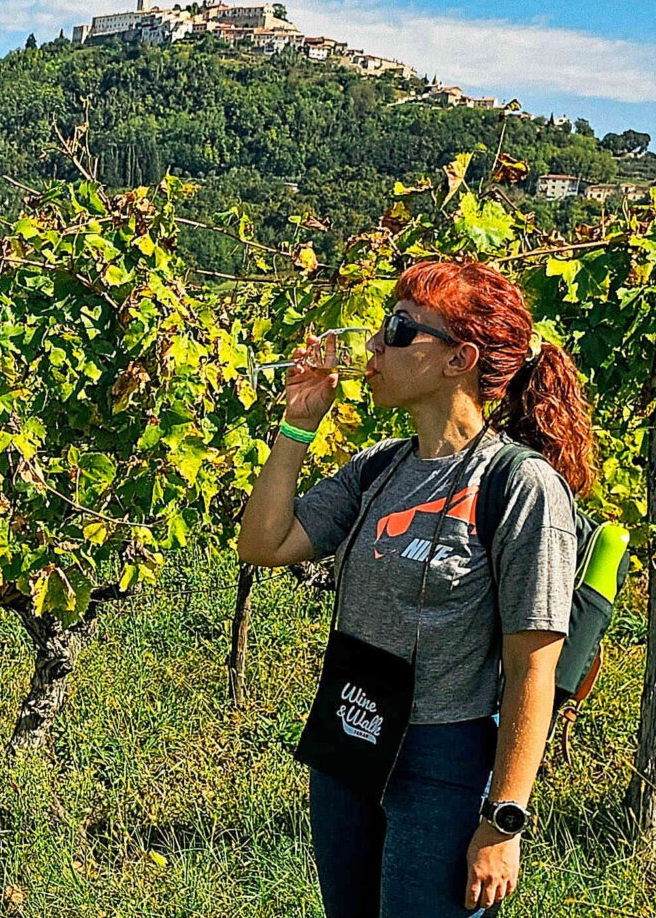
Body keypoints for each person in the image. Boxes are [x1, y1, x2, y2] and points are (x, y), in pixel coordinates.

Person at [238, 259, 597, 917]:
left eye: (399, 330)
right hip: (351, 734)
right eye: (380, 326)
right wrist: (296, 423)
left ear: (458, 358)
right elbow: (264, 542)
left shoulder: (520, 486)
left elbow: (532, 668)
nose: (375, 345)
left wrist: (504, 820)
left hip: (443, 760)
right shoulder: (379, 466)